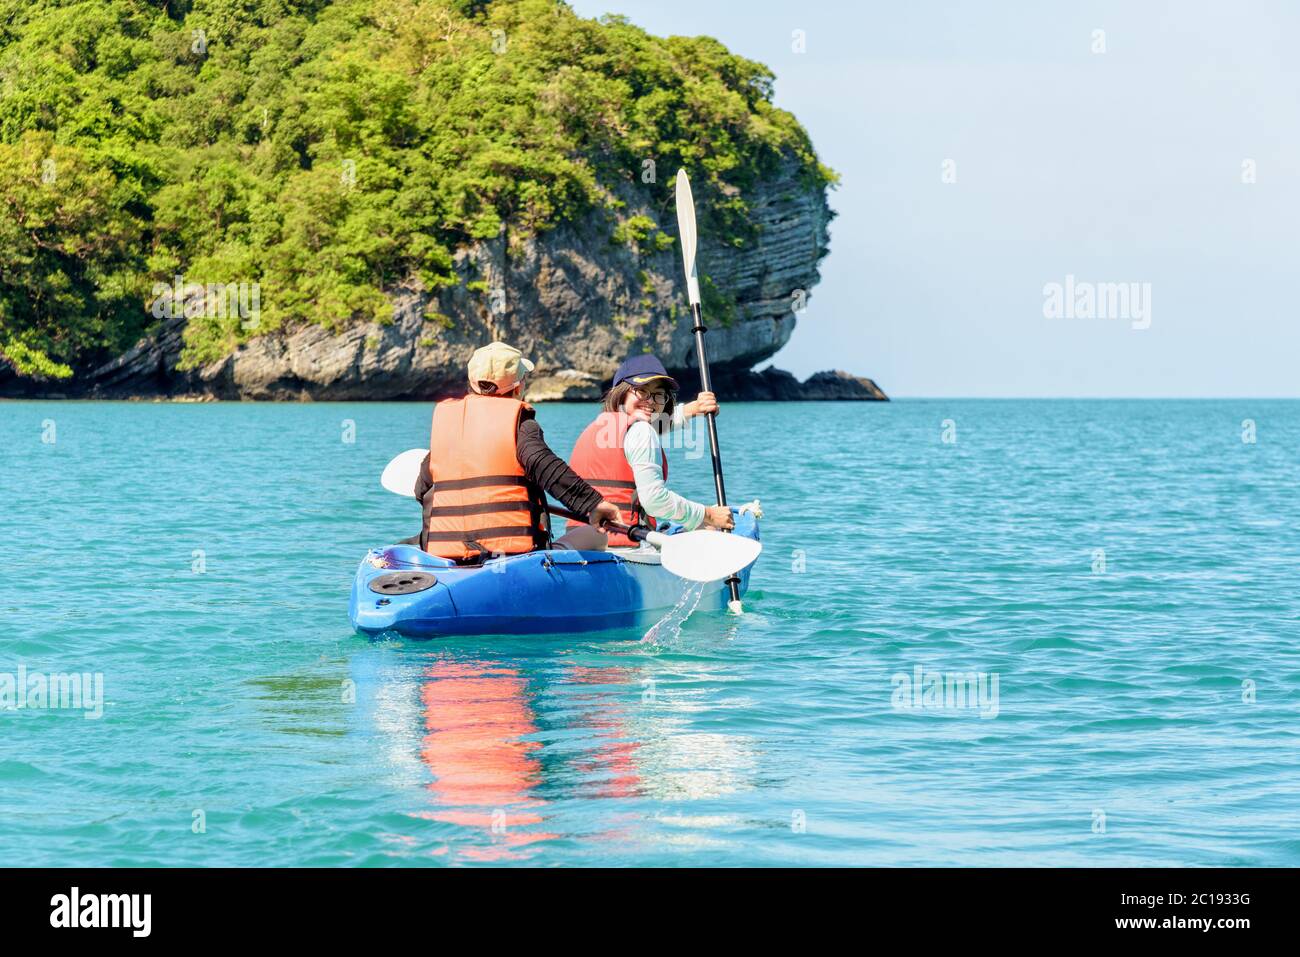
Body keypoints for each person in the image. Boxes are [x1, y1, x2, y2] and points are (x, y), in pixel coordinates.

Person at [413, 342, 620, 560]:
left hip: (450, 557)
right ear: (519, 387)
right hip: (512, 556)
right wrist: (594, 504)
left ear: (471, 384)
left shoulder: (449, 428)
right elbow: (543, 465)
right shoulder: (520, 424)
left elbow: (422, 489)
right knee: (595, 536)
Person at [568, 353, 734, 548]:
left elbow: (655, 423)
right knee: (710, 532)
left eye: (659, 394)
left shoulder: (601, 428)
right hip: (625, 549)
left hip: (580, 545)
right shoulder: (640, 430)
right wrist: (707, 515)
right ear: (620, 392)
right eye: (641, 391)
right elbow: (654, 500)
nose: (650, 401)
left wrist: (693, 409)